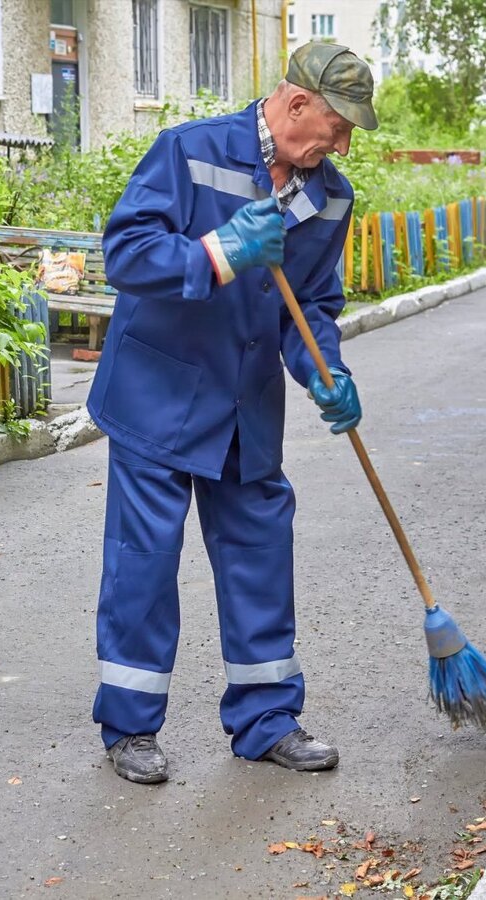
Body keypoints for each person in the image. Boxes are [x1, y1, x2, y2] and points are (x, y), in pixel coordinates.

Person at [85, 43, 378, 784]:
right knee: (144, 564)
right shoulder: (187, 153)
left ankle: (266, 719)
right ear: (297, 102)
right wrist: (218, 251)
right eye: (338, 126)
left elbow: (309, 307)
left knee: (260, 555)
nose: (341, 144)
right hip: (158, 398)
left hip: (246, 408)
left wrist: (326, 370)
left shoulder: (330, 197)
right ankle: (129, 726)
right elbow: (126, 253)